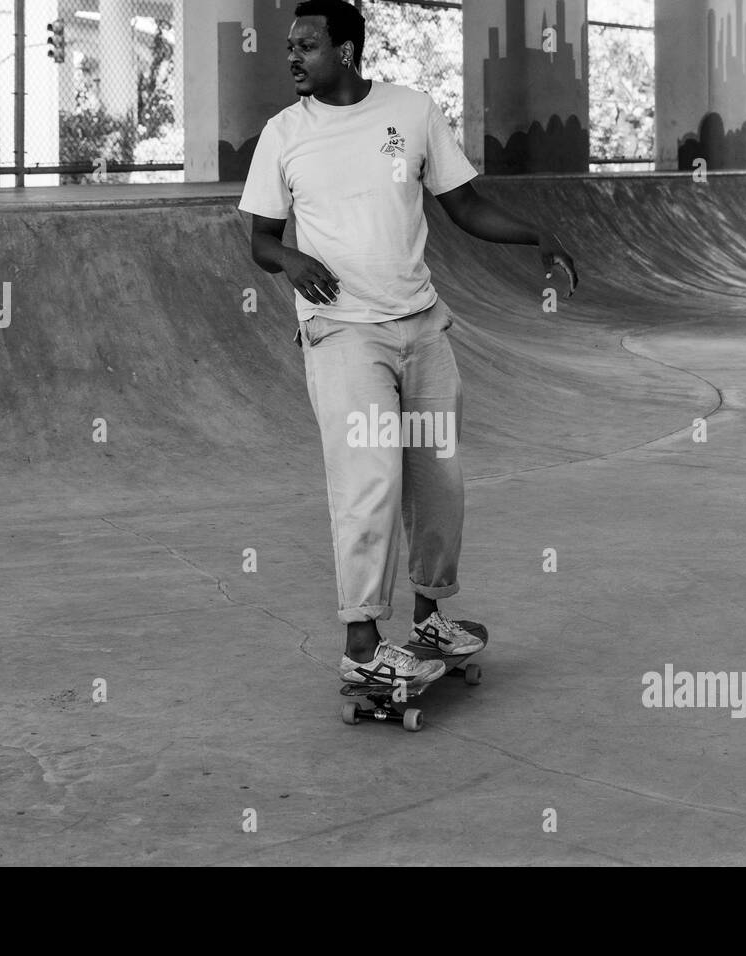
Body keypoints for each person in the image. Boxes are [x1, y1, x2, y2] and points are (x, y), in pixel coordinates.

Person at [239, 0, 578, 688]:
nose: (292, 58)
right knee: (368, 478)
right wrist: (294, 262)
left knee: (437, 479)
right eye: (290, 47)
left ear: (347, 51)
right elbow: (261, 240)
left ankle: (428, 617)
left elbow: (465, 204)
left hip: (421, 327)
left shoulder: (413, 112)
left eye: (306, 45)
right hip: (342, 335)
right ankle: (363, 644)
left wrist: (535, 236)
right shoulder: (284, 133)